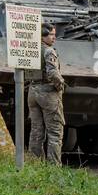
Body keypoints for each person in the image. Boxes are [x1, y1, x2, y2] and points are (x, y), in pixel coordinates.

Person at [28, 23, 66, 163]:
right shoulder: (49, 51)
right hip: (48, 92)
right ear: (42, 36)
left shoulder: (31, 50)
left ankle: (35, 164)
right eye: (51, 35)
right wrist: (60, 85)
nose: (54, 38)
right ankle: (53, 167)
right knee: (55, 132)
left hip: (33, 91)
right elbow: (52, 73)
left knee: (36, 131)